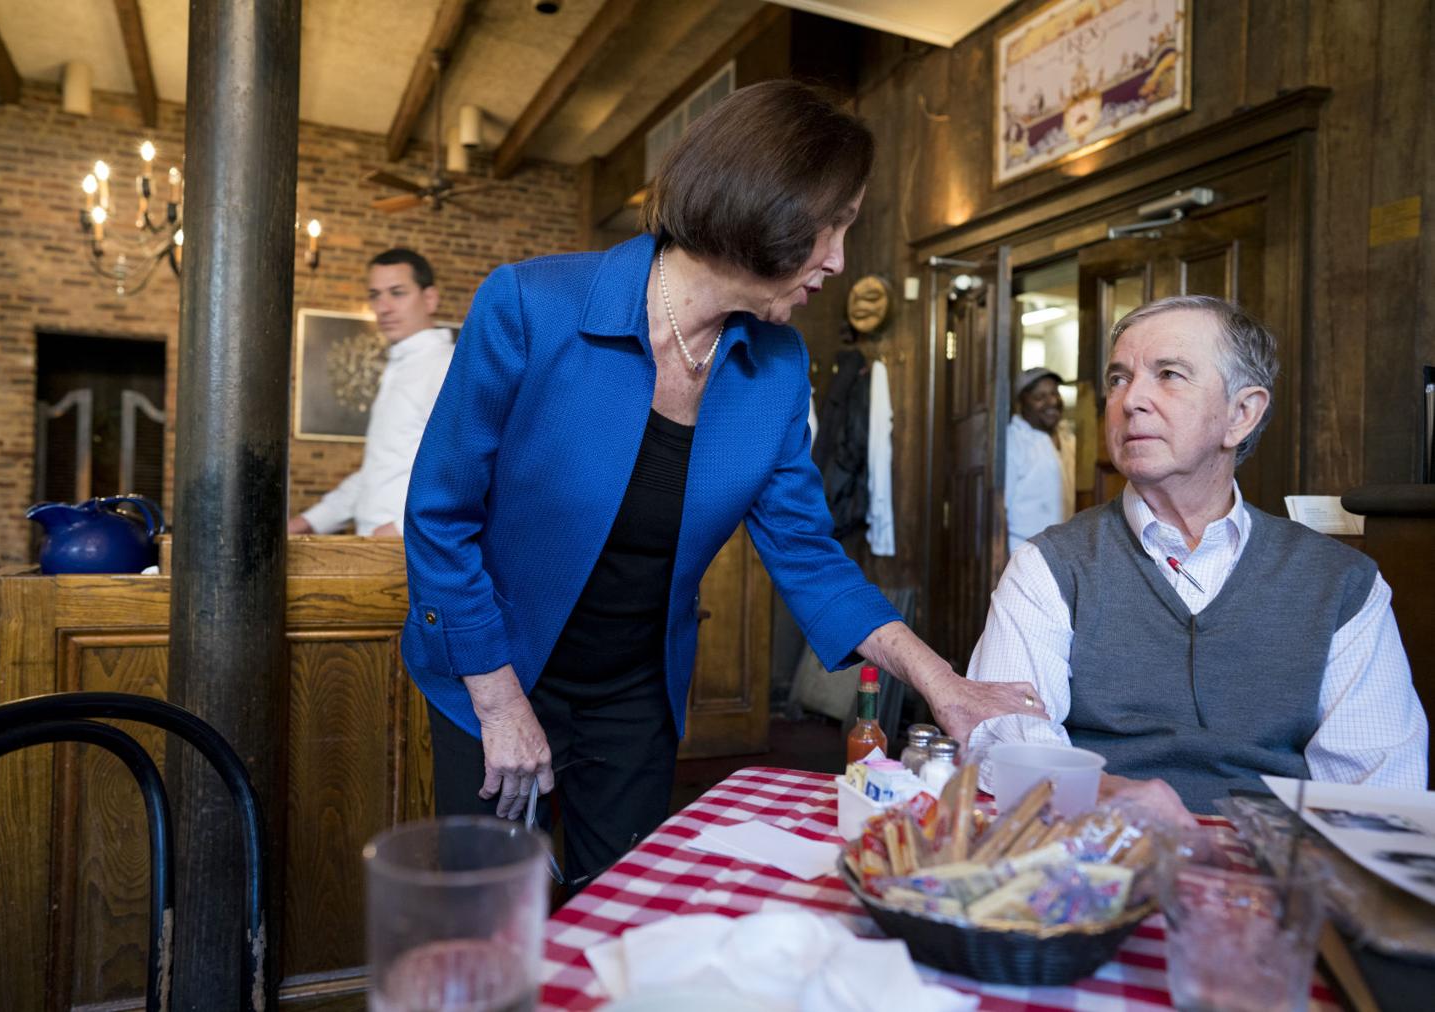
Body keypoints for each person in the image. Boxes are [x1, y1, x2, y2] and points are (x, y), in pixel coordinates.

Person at [399, 80, 1044, 887]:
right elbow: (439, 517)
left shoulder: (775, 367)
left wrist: (944, 684)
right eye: (833, 224)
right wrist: (498, 704)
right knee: (490, 915)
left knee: (621, 909)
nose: (840, 260)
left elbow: (808, 554)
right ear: (761, 208)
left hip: (634, 694)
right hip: (494, 669)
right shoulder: (531, 306)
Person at [967, 295, 1427, 822]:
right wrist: (1108, 798)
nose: (1130, 399)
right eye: (1118, 379)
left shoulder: (1340, 583)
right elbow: (1003, 739)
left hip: (1278, 874)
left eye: (1168, 374)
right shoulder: (1050, 566)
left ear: (1241, 414)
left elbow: (1380, 792)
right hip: (1096, 855)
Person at [288, 249, 454, 537]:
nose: (383, 307)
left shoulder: (445, 366)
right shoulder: (400, 366)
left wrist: (402, 529)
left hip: (411, 549)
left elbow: (469, 467)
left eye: (397, 293)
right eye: (375, 295)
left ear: (430, 299)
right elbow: (378, 472)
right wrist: (305, 523)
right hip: (375, 547)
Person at [1005, 367, 1075, 553]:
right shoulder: (1013, 441)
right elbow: (999, 509)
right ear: (1021, 403)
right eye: (1039, 397)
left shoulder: (1068, 438)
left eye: (1054, 393)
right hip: (1023, 551)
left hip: (1063, 551)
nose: (1052, 401)